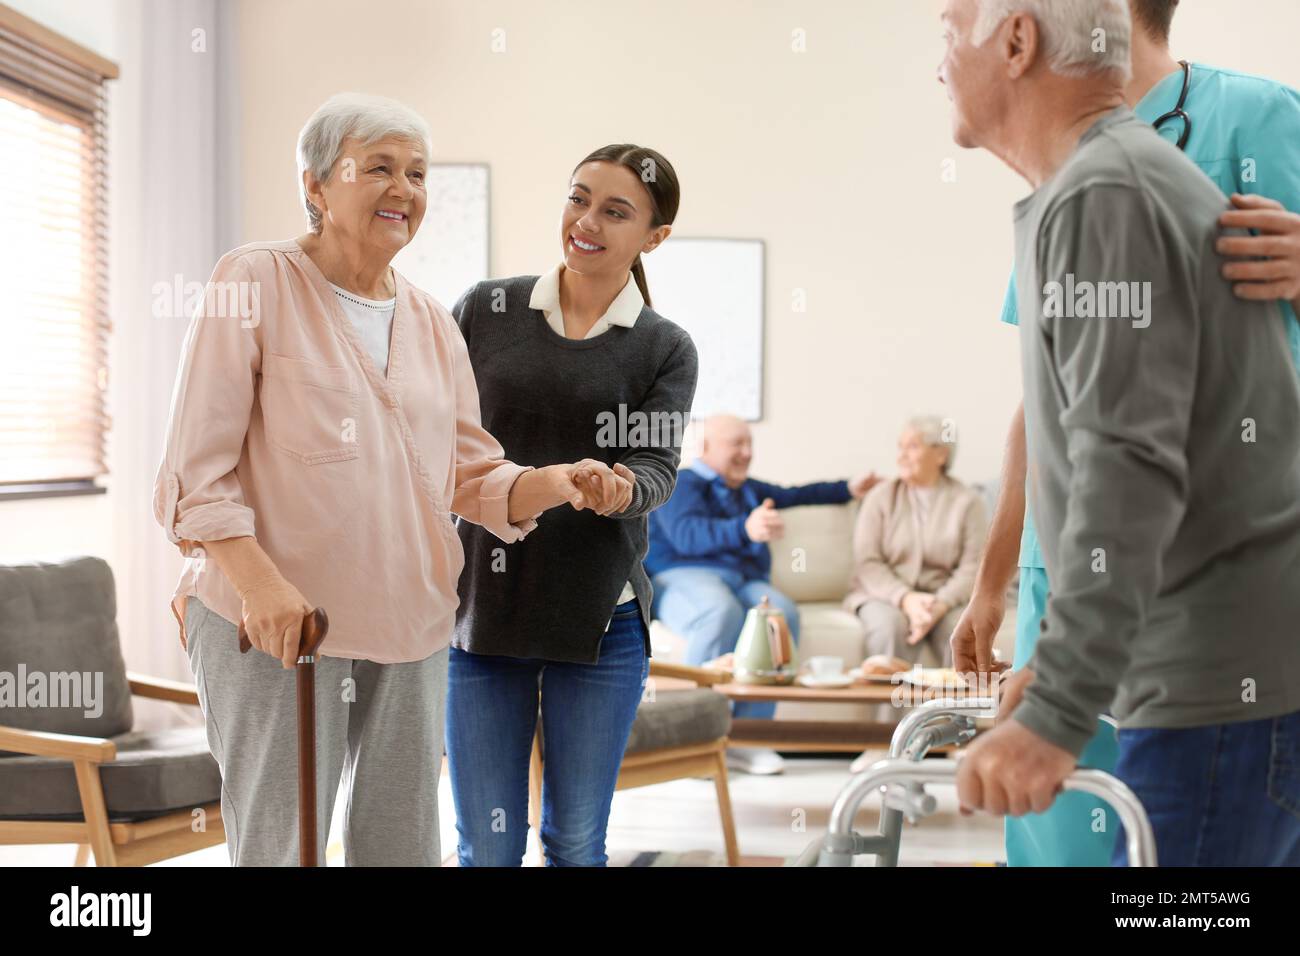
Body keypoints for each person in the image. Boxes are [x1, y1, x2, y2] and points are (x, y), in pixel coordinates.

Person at [152, 93, 627, 866]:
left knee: (402, 847)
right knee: (284, 845)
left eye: (416, 172)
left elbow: (469, 472)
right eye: (377, 167)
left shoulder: (434, 321)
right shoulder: (256, 280)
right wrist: (261, 586)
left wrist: (561, 482)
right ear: (315, 185)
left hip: (411, 622)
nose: (404, 189)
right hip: (278, 623)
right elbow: (192, 468)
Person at [939, 0, 1300, 865]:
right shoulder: (1091, 186)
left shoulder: (1110, 191)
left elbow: (1129, 467)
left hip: (1214, 679)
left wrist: (1061, 706)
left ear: (1017, 40)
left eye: (948, 28)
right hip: (1176, 659)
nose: (939, 59)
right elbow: (1072, 417)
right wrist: (1056, 658)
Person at [446, 145, 699, 866]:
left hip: (601, 620)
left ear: (654, 237)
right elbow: (436, 435)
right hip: (482, 611)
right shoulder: (486, 310)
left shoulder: (663, 347)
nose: (586, 221)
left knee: (576, 841)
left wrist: (621, 489)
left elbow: (655, 466)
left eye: (615, 211)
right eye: (578, 198)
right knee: (487, 846)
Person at [646, 413, 879, 774]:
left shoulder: (749, 490)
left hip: (742, 579)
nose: (746, 452)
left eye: (750, 444)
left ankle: (750, 736)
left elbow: (798, 493)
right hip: (683, 576)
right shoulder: (680, 482)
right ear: (705, 447)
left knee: (779, 614)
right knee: (720, 611)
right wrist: (746, 527)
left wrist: (849, 488)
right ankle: (697, 738)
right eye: (736, 444)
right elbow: (687, 535)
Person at [845, 415, 986, 668]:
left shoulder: (968, 502)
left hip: (943, 598)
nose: (901, 456)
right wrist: (905, 598)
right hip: (883, 596)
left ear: (941, 455)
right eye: (901, 447)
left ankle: (953, 709)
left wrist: (940, 604)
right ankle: (896, 709)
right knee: (889, 627)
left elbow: (973, 567)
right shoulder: (879, 498)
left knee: (961, 632)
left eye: (912, 447)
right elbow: (867, 563)